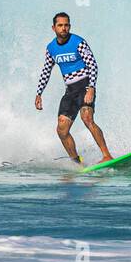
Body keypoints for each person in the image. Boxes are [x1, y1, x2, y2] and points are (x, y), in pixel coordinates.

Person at [34, 12, 114, 164]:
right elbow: (46, 71)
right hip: (70, 91)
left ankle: (106, 155)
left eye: (66, 25)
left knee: (87, 118)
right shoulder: (51, 48)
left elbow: (93, 65)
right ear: (53, 28)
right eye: (60, 25)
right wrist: (39, 93)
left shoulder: (78, 42)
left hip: (85, 86)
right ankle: (77, 162)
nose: (64, 28)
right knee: (62, 129)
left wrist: (91, 88)